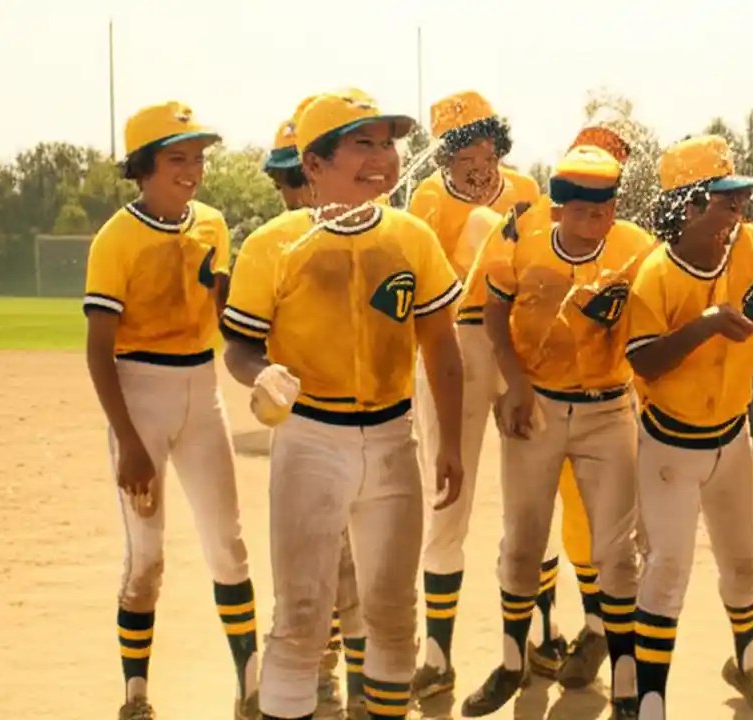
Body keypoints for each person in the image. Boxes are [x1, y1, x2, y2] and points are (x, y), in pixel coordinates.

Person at [221, 89, 464, 720]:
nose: (383, 158)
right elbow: (239, 347)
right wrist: (262, 374)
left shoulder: (412, 237)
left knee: (393, 614)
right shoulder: (274, 245)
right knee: (302, 617)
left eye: (388, 144)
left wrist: (451, 444)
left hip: (393, 441)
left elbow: (441, 345)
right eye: (363, 144)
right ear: (314, 163)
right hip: (310, 441)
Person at [459, 144, 650, 719]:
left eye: (608, 210)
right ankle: (512, 663)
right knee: (522, 543)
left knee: (616, 554)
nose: (599, 223)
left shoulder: (635, 247)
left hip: (607, 408)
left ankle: (626, 680)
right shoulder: (523, 237)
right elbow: (495, 312)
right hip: (538, 404)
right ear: (559, 209)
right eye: (586, 212)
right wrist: (514, 383)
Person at [84, 101, 259, 720]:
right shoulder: (116, 238)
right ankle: (136, 696)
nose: (193, 170)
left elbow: (226, 318)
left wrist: (260, 358)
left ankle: (249, 689)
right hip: (139, 394)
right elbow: (98, 350)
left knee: (228, 545)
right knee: (147, 557)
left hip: (200, 387)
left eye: (198, 158)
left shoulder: (212, 224)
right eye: (177, 159)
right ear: (143, 167)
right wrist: (129, 441)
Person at [405, 90, 573, 699]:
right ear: (444, 158)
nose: (476, 165)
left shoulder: (525, 189)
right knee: (448, 498)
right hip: (453, 345)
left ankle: (544, 636)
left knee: (532, 494)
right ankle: (437, 656)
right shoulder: (427, 200)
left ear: (498, 146)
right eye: (462, 155)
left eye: (484, 150)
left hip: (519, 343)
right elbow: (425, 288)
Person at [625, 135, 753, 720]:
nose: (738, 209)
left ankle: (746, 664)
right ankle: (650, 700)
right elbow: (645, 361)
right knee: (667, 570)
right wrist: (704, 325)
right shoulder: (656, 273)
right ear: (688, 207)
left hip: (732, 437)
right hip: (669, 447)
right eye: (725, 200)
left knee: (743, 564)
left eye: (741, 197)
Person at [257, 105, 370, 720]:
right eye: (284, 183)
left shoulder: (370, 237)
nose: (293, 194)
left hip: (367, 427)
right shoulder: (279, 248)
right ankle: (320, 673)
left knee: (358, 567)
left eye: (297, 180)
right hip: (306, 433)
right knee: (311, 565)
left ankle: (361, 681)